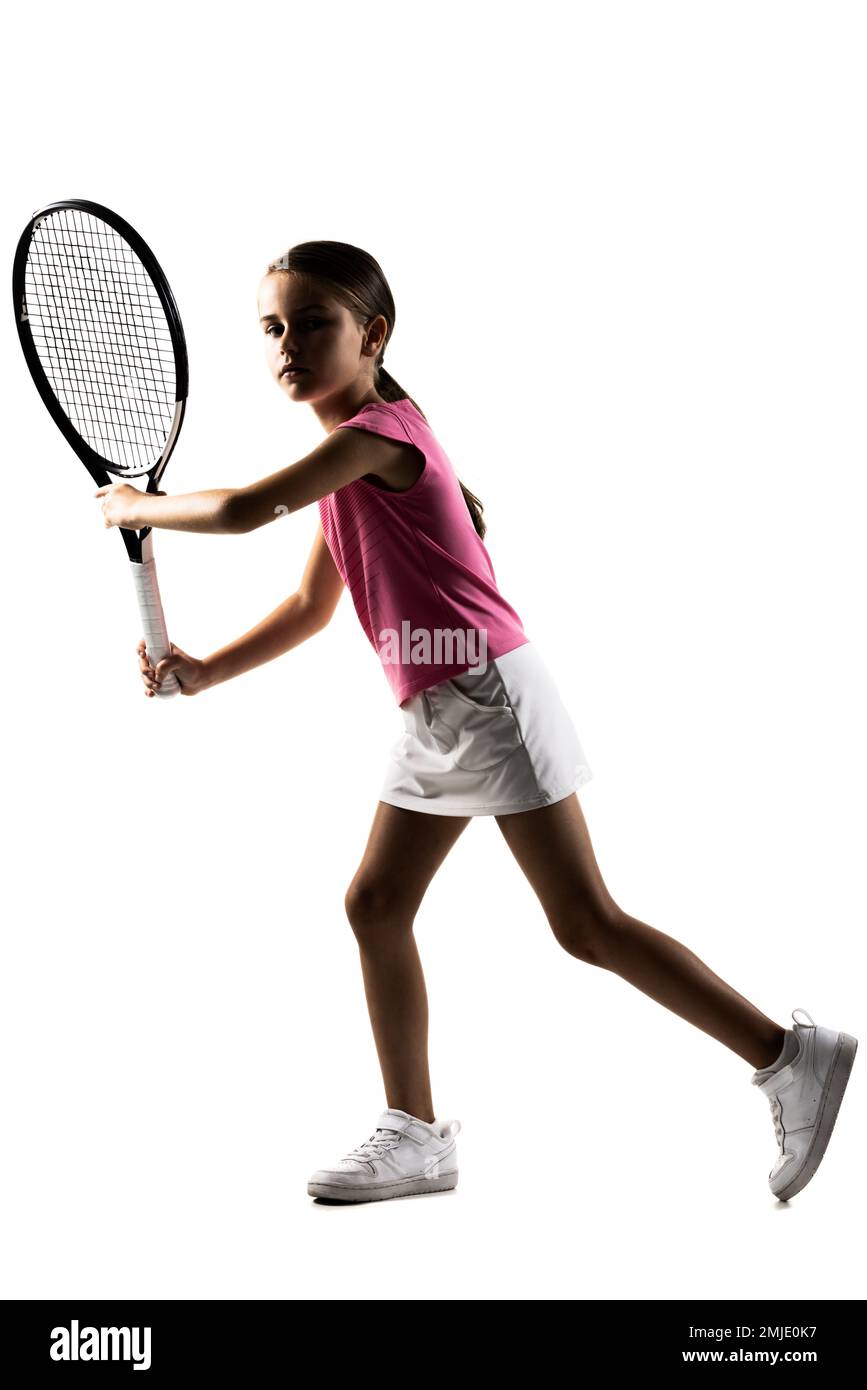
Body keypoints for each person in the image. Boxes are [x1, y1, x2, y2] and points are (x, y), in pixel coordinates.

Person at [97, 240, 857, 1207]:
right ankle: (414, 1136)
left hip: (488, 696)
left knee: (586, 924)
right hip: (435, 707)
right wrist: (203, 671)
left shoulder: (378, 435)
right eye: (273, 329)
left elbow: (247, 508)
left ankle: (789, 1056)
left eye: (314, 324)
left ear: (373, 336)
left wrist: (140, 507)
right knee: (374, 905)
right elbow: (308, 609)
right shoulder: (348, 466)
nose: (288, 345)